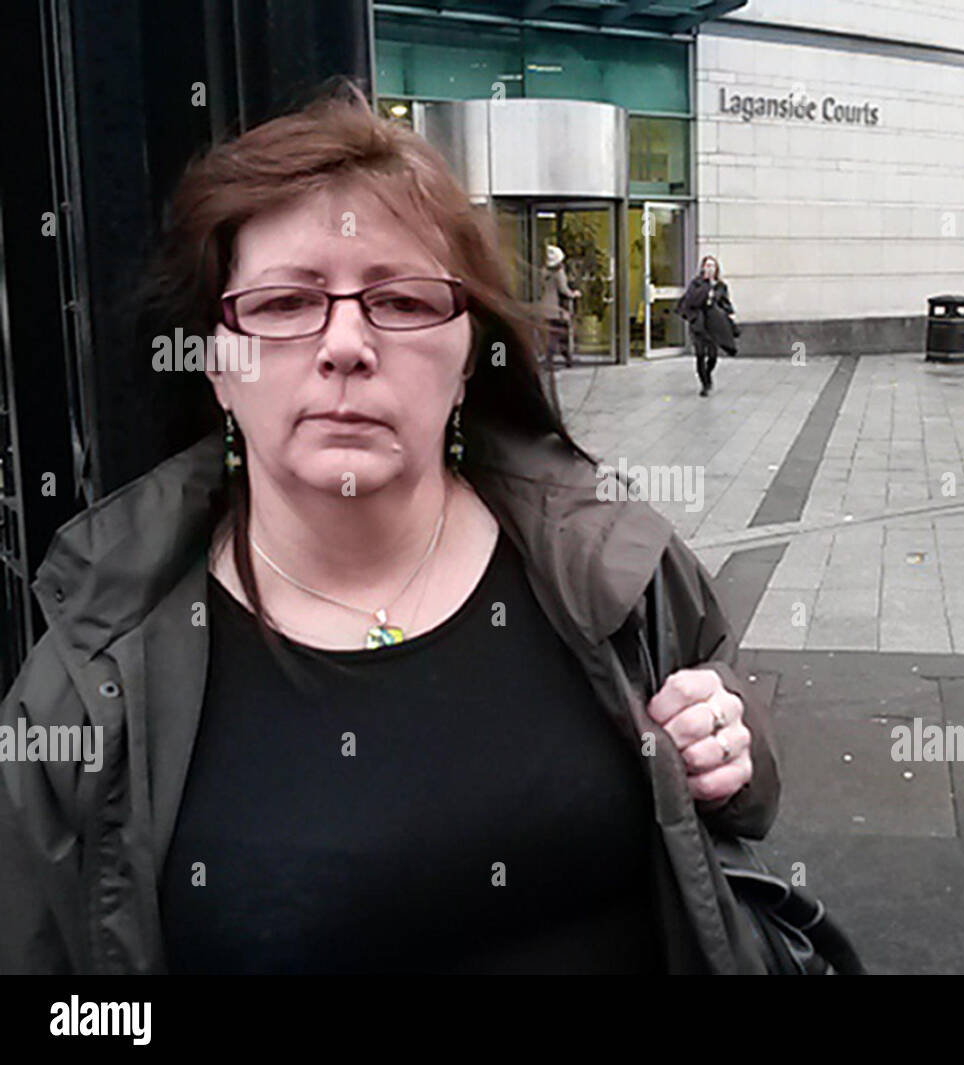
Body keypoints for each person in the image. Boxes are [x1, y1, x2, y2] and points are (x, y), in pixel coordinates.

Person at [0, 84, 779, 975]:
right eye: (286, 303)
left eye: (401, 301)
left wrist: (730, 747)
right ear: (218, 364)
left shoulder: (610, 567)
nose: (344, 344)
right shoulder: (92, 682)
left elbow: (740, 792)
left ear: (464, 358)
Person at [674, 255, 738, 397]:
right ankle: (705, 384)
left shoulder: (721, 286)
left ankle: (708, 372)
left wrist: (730, 313)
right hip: (698, 323)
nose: (710, 268)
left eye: (712, 266)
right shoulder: (696, 284)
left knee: (713, 355)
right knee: (700, 354)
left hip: (713, 325)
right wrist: (706, 287)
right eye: (707, 265)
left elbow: (724, 302)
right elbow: (692, 301)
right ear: (702, 268)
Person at [539, 244, 579, 368]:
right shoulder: (559, 272)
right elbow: (563, 289)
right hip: (558, 308)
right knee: (562, 334)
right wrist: (574, 294)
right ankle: (566, 358)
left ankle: (556, 358)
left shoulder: (544, 271)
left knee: (552, 333)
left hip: (546, 306)